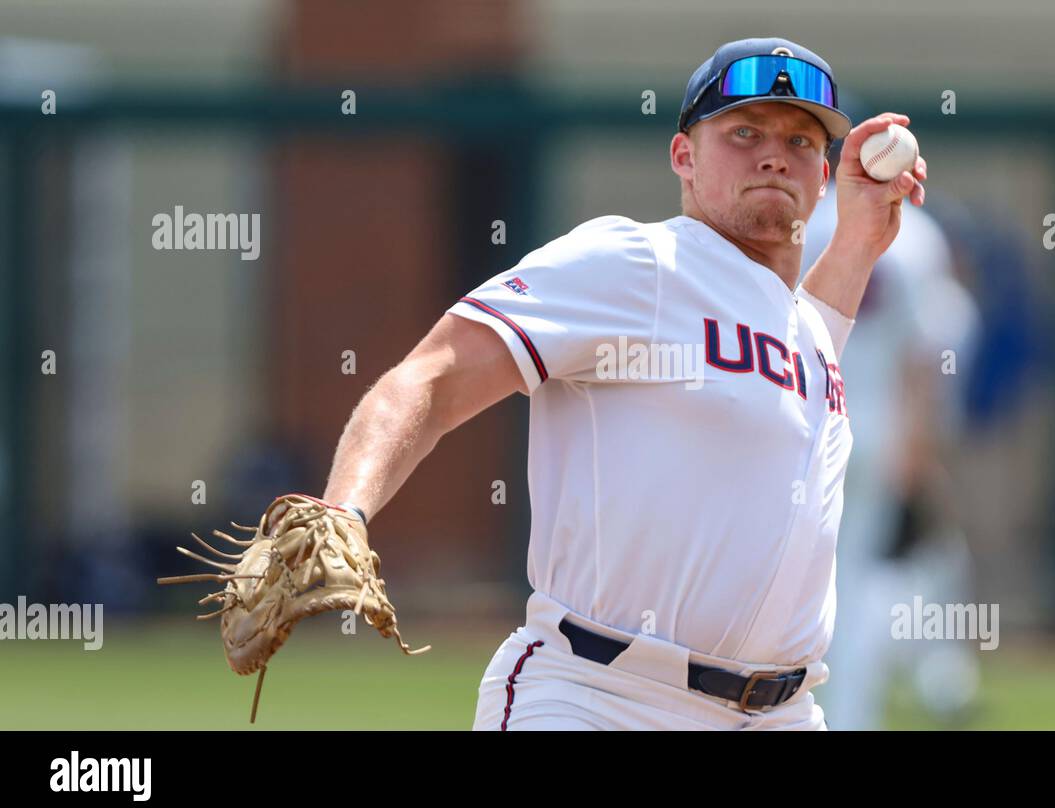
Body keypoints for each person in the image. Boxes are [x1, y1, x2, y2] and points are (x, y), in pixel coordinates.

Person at [318, 37, 926, 730]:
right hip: (602, 697)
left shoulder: (805, 333)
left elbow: (796, 340)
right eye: (743, 132)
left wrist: (859, 239)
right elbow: (431, 376)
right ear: (683, 157)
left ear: (822, 177)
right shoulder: (639, 262)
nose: (772, 154)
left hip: (783, 714)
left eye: (799, 140)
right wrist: (345, 509)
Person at [799, 143, 981, 729]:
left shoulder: (792, 221)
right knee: (850, 591)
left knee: (781, 588)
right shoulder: (919, 234)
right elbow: (924, 358)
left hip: (797, 432)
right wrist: (916, 447)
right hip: (876, 435)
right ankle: (850, 719)